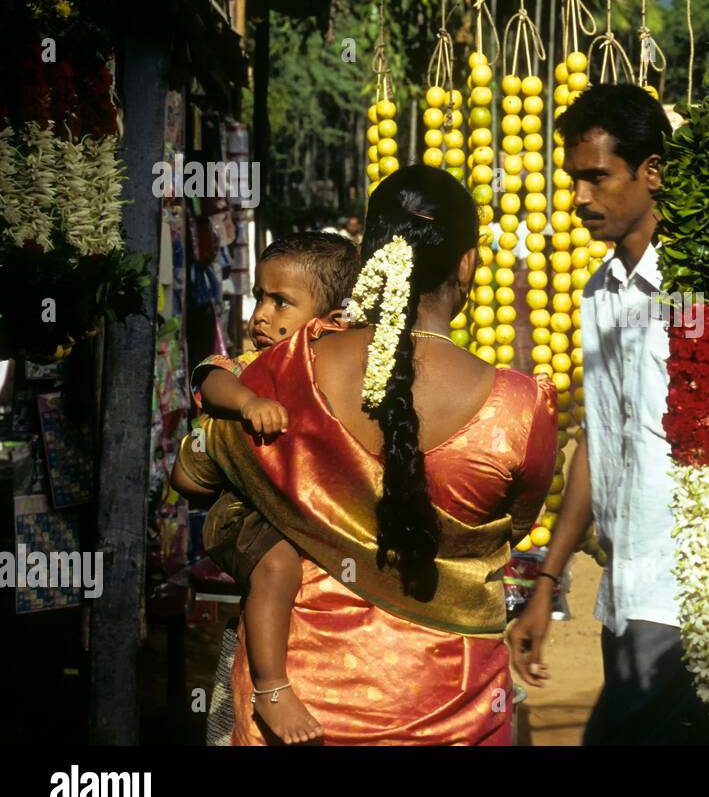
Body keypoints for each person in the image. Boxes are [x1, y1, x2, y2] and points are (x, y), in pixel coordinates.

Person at [173, 165, 557, 745]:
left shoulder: (286, 370)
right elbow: (517, 526)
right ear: (467, 263)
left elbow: (193, 472)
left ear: (370, 257)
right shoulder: (520, 409)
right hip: (453, 710)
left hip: (299, 707)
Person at [507, 84, 709, 745]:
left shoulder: (706, 283)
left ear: (651, 172)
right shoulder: (599, 293)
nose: (579, 197)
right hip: (624, 595)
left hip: (693, 594)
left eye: (596, 177)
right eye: (573, 179)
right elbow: (598, 441)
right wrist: (548, 581)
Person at [177, 231, 358, 744]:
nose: (261, 314)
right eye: (260, 295)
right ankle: (271, 687)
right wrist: (245, 402)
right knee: (276, 567)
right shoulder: (249, 370)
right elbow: (210, 378)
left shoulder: (331, 374)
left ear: (331, 321)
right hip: (238, 515)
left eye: (281, 302)